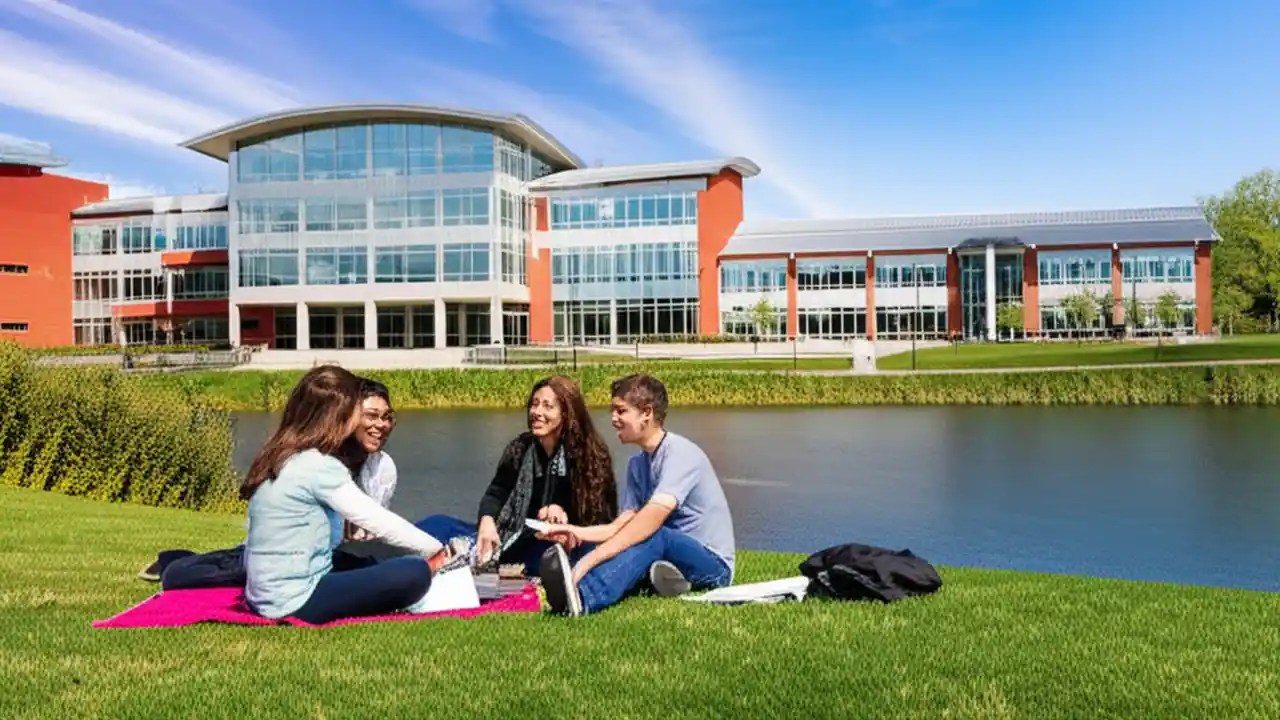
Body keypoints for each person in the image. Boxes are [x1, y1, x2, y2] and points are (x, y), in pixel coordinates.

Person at [242, 365, 454, 624]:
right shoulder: (319, 466)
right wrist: (437, 550)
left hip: (262, 596)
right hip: (296, 600)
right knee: (413, 572)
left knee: (367, 562)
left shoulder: (279, 457)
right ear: (337, 414)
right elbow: (377, 520)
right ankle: (433, 573)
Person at [143, 377, 400, 587]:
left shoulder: (382, 467)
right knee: (191, 574)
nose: (382, 424)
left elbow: (375, 524)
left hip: (339, 556)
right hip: (290, 556)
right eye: (372, 416)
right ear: (348, 418)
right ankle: (174, 560)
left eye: (387, 417)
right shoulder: (316, 463)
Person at [537, 373, 735, 616]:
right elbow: (620, 527)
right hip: (669, 555)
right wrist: (575, 533)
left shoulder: (681, 455)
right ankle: (663, 581)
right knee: (592, 545)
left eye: (621, 411)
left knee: (652, 534)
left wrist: (592, 560)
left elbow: (650, 521)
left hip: (714, 565)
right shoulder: (637, 465)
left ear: (647, 413)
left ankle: (583, 597)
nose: (613, 419)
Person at [415, 375, 617, 576]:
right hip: (515, 535)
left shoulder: (590, 456)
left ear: (567, 414)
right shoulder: (521, 448)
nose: (537, 412)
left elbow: (600, 518)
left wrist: (564, 516)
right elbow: (497, 492)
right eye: (535, 404)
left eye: (548, 406)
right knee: (436, 525)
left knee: (549, 558)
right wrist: (487, 521)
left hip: (566, 541)